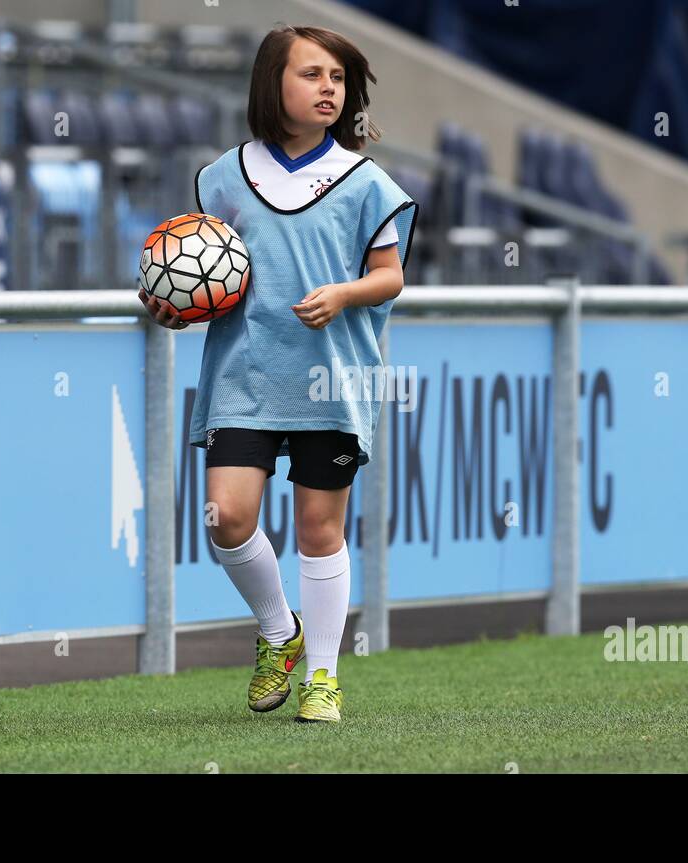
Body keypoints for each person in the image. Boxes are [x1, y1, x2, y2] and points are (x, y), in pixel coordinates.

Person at [140, 25, 418, 723]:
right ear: (273, 84)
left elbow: (391, 278)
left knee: (320, 529)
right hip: (245, 376)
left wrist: (343, 293)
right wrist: (177, 309)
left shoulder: (366, 182)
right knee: (228, 518)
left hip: (332, 380)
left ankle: (323, 677)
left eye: (337, 78)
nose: (329, 88)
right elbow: (210, 277)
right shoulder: (220, 178)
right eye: (312, 74)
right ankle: (278, 632)